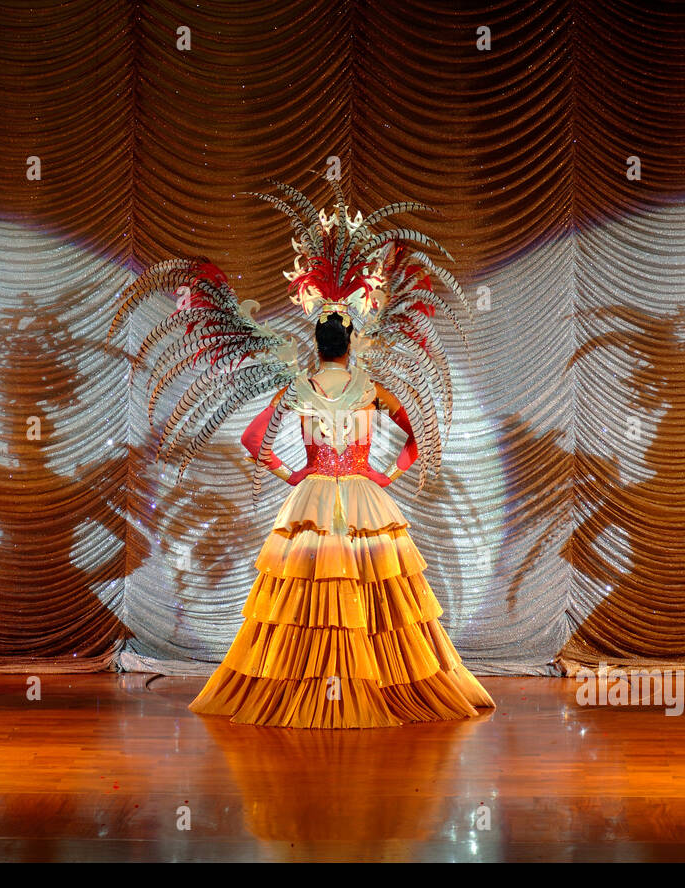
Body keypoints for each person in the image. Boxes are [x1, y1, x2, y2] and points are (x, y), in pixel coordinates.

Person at [115, 180, 495, 727]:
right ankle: (376, 683)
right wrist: (387, 473)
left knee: (307, 598)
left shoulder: (297, 389)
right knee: (376, 599)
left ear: (317, 345)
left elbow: (253, 442)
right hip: (366, 495)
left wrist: (292, 472)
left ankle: (307, 684)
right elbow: (421, 435)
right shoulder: (372, 389)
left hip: (313, 495)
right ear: (350, 341)